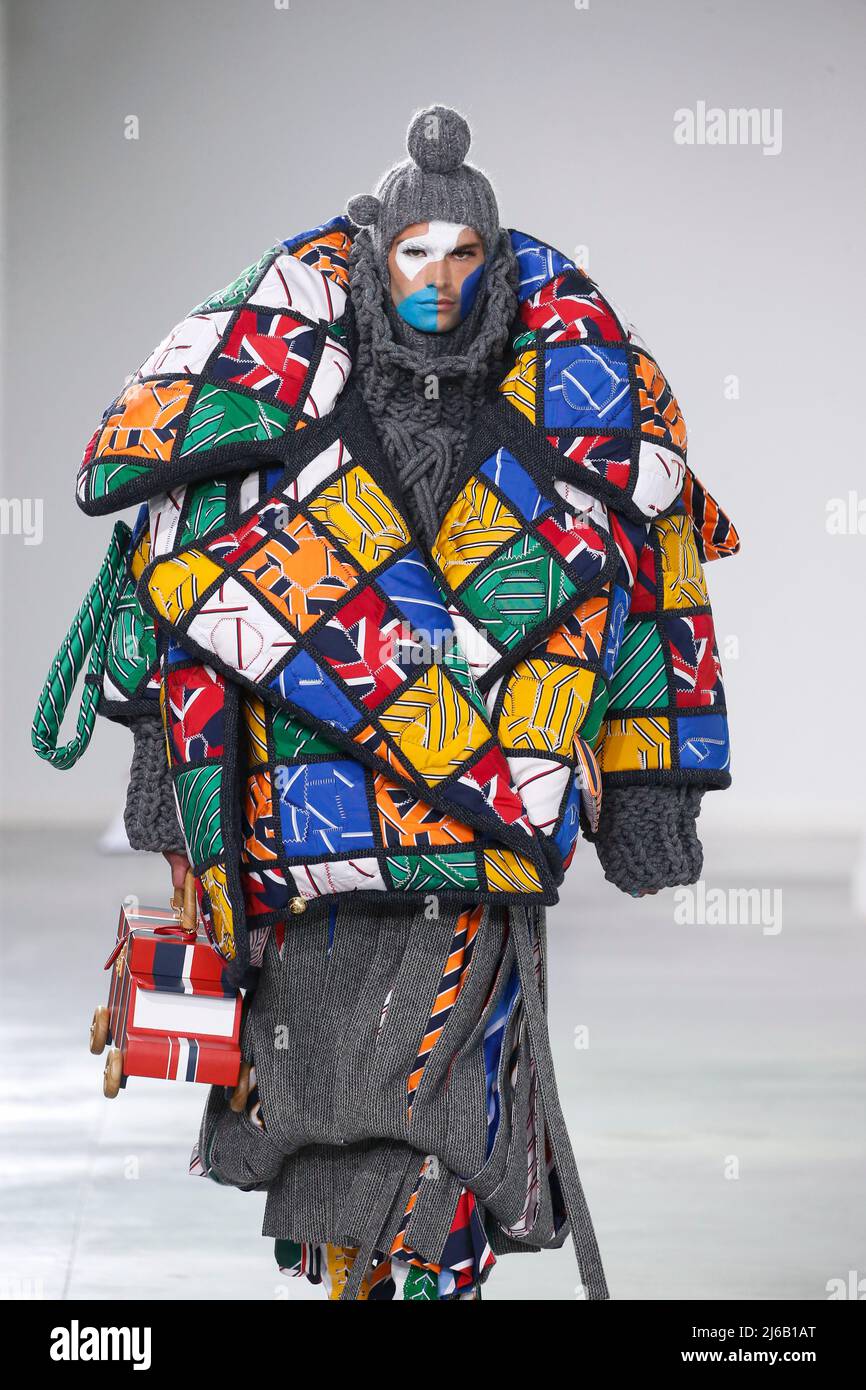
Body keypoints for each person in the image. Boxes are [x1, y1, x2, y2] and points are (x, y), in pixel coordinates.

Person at [69, 105, 737, 1301]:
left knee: (444, 1098)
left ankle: (415, 1277)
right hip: (307, 821)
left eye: (464, 254)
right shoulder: (260, 411)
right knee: (324, 1089)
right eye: (416, 252)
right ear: (379, 255)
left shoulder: (588, 419)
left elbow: (656, 589)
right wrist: (167, 792)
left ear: (494, 260)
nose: (438, 278)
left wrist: (647, 784)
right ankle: (357, 1269)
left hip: (481, 823)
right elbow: (168, 600)